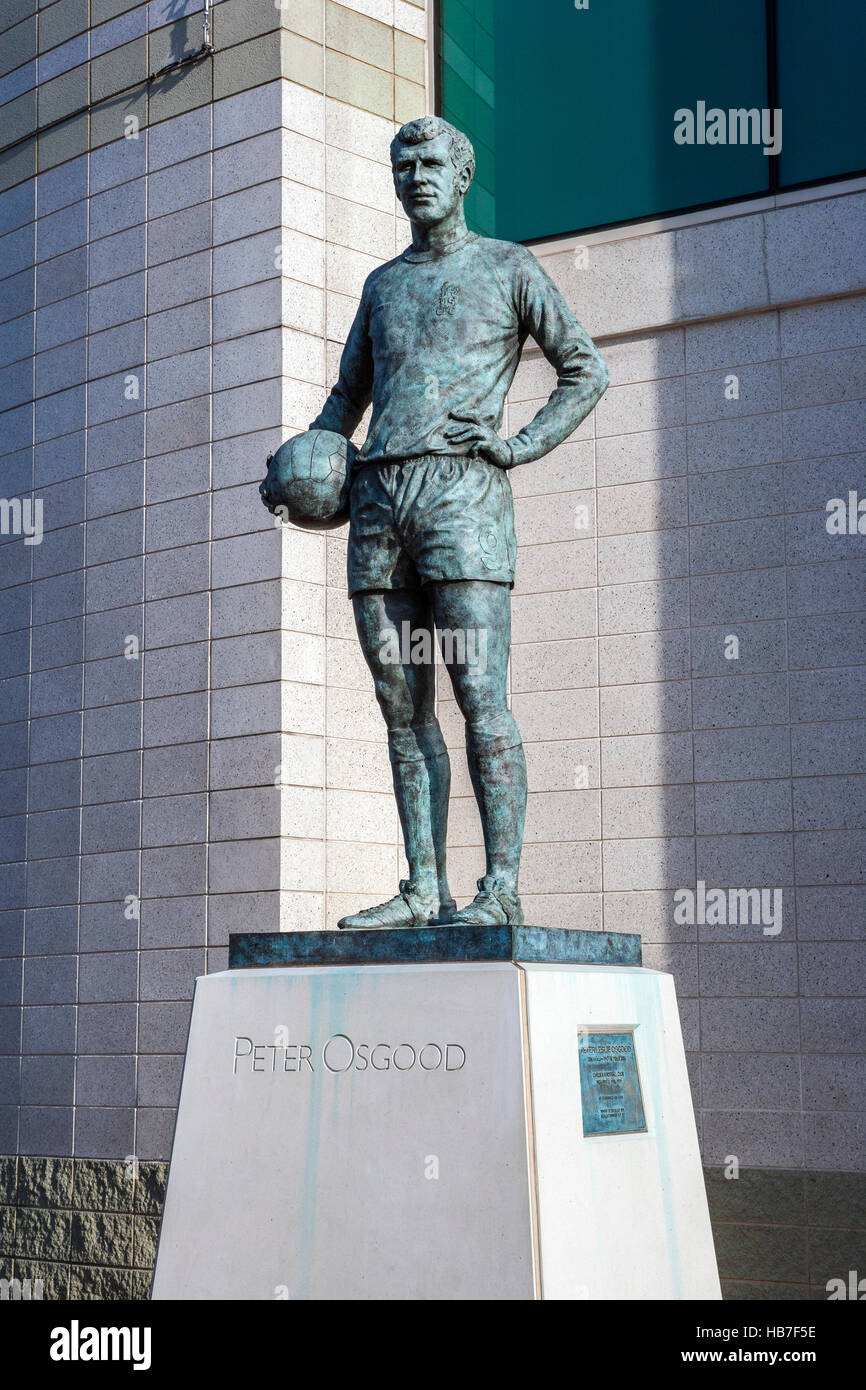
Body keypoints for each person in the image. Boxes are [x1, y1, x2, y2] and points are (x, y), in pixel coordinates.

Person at [309, 116, 609, 929]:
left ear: (463, 173)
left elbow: (587, 370)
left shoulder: (510, 268)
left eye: (432, 160)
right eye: (403, 162)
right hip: (379, 504)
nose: (417, 174)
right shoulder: (382, 286)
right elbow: (347, 400)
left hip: (465, 502)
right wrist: (305, 462)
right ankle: (422, 887)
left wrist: (515, 447)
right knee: (401, 708)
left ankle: (501, 885)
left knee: (481, 696)